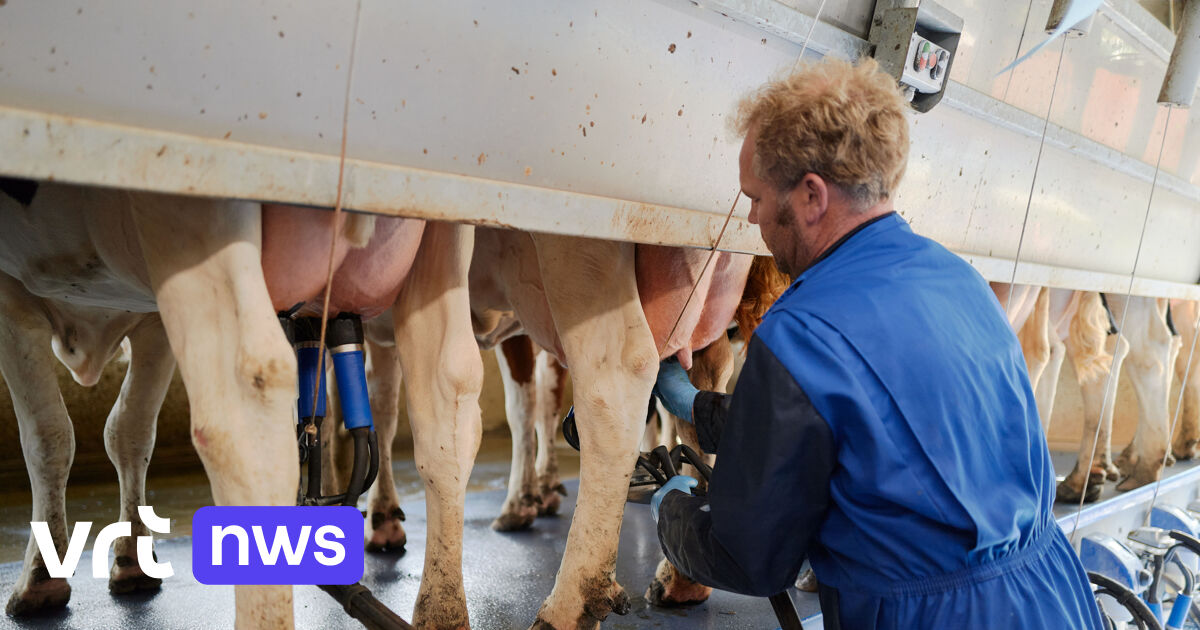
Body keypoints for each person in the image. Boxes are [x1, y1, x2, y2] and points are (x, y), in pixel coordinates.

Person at [649, 57, 1103, 629]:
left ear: (811, 196)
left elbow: (751, 558)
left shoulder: (800, 332)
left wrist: (674, 513)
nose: (753, 218)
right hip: (1053, 596)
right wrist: (699, 408)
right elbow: (878, 427)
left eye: (756, 198)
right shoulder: (960, 280)